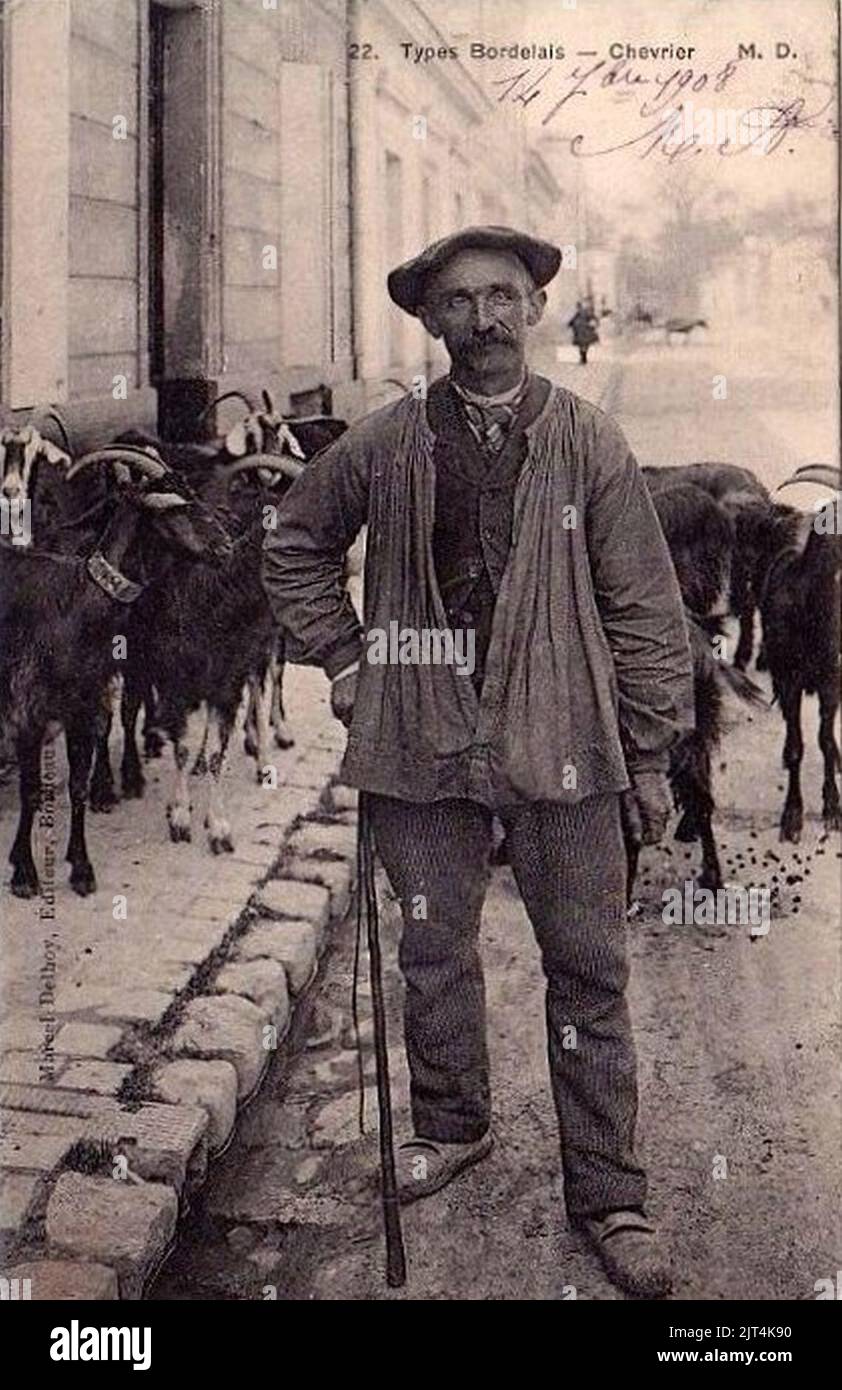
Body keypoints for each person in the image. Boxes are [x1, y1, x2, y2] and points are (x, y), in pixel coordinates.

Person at [262, 225, 694, 1298]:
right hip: (419, 742)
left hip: (561, 742)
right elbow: (292, 541)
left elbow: (645, 608)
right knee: (431, 951)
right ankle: (451, 1124)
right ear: (428, 320)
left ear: (536, 311)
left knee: (586, 970)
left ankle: (608, 1193)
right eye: (457, 302)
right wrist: (349, 659)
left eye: (502, 297)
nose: (483, 319)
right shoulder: (386, 442)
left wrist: (644, 751)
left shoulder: (587, 442)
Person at [568, 298, 600, 364]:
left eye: (578, 306)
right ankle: (584, 357)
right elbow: (593, 317)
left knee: (581, 345)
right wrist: (596, 322)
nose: (578, 308)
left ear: (579, 306)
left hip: (581, 331)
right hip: (585, 331)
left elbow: (573, 320)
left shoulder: (579, 312)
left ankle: (583, 357)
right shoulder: (584, 312)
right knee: (585, 344)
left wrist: (570, 324)